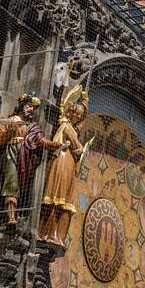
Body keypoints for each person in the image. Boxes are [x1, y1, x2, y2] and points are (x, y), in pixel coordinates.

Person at [0, 93, 62, 228]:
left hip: (25, 158)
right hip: (11, 154)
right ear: (22, 105)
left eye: (33, 108)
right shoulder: (12, 120)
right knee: (11, 184)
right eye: (29, 106)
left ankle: (12, 215)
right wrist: (10, 132)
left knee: (19, 187)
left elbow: (41, 142)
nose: (31, 109)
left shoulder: (33, 127)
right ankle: (11, 217)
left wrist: (56, 145)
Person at [38, 84, 90, 244]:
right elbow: (78, 148)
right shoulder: (66, 126)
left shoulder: (72, 128)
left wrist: (85, 103)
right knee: (57, 195)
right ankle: (48, 232)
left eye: (80, 115)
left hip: (68, 162)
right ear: (71, 112)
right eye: (76, 112)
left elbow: (78, 145)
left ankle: (55, 234)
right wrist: (80, 148)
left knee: (64, 197)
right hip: (62, 160)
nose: (77, 116)